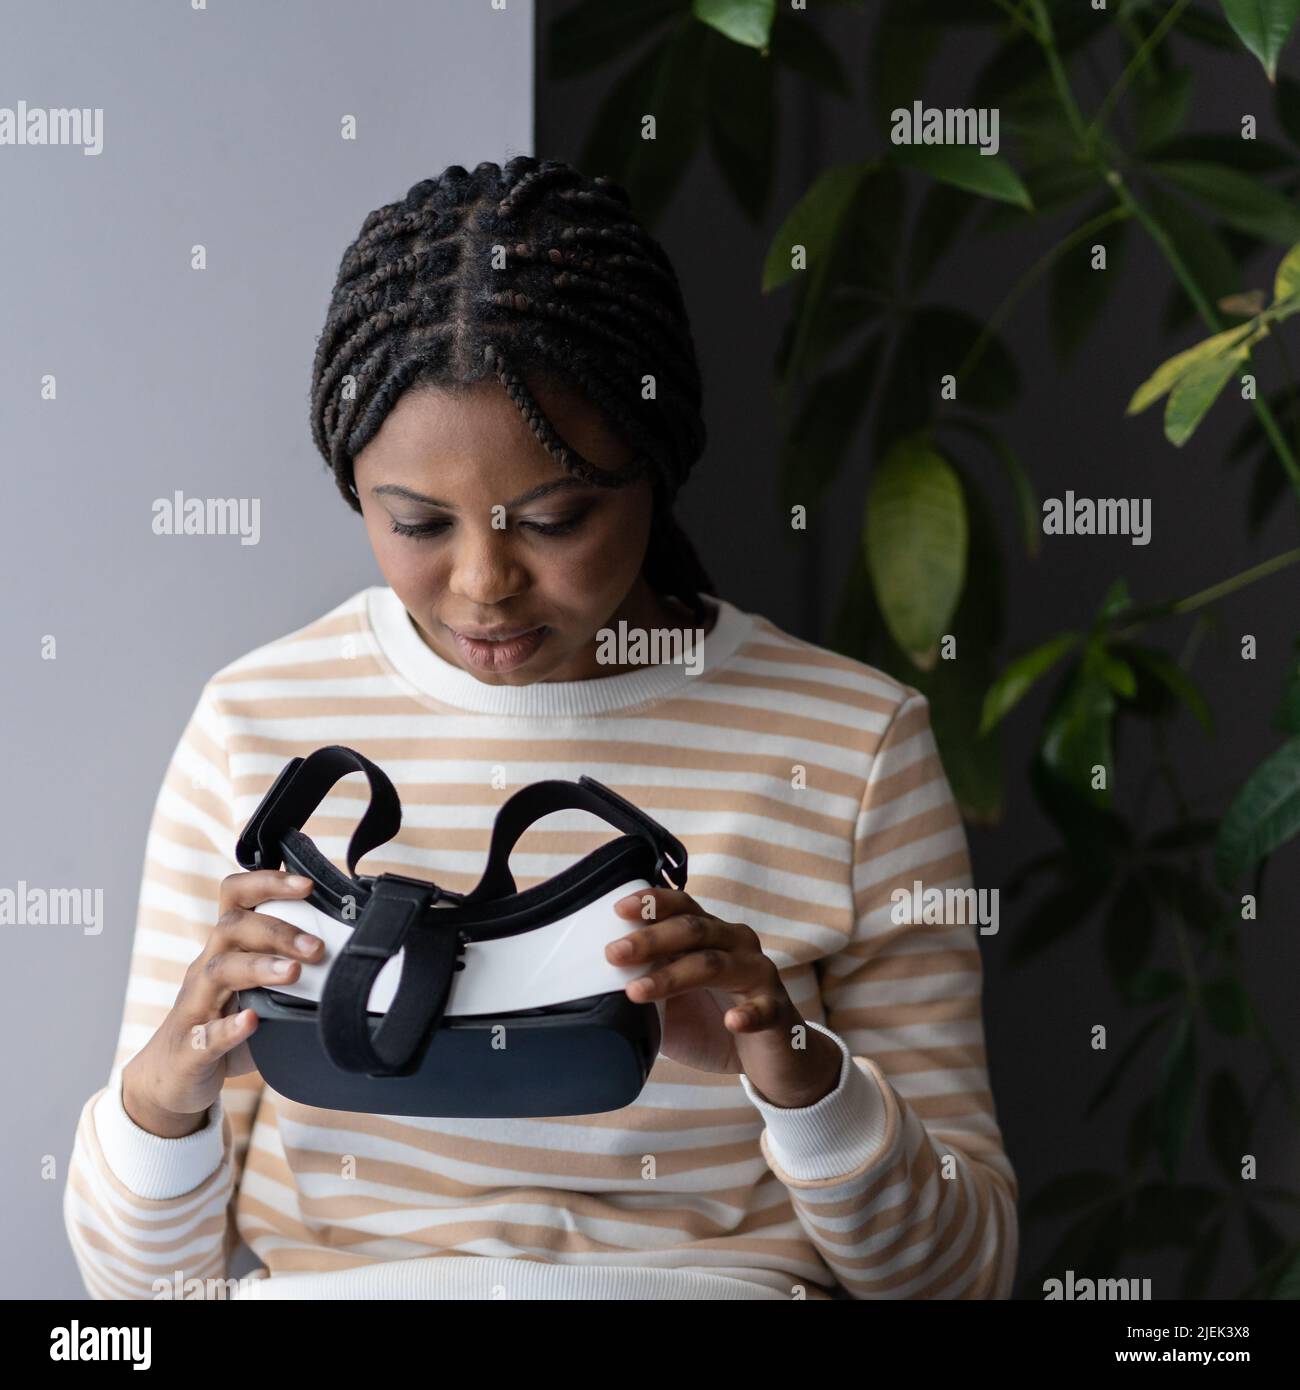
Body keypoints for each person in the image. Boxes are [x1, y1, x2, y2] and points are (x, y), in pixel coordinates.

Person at [62, 157, 1018, 1300]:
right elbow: (139, 1298)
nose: (482, 584)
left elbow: (960, 1279)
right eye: (415, 521)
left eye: (555, 518)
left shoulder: (853, 741)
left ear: (652, 473)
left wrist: (790, 1067)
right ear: (352, 485)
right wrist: (168, 1082)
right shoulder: (257, 725)